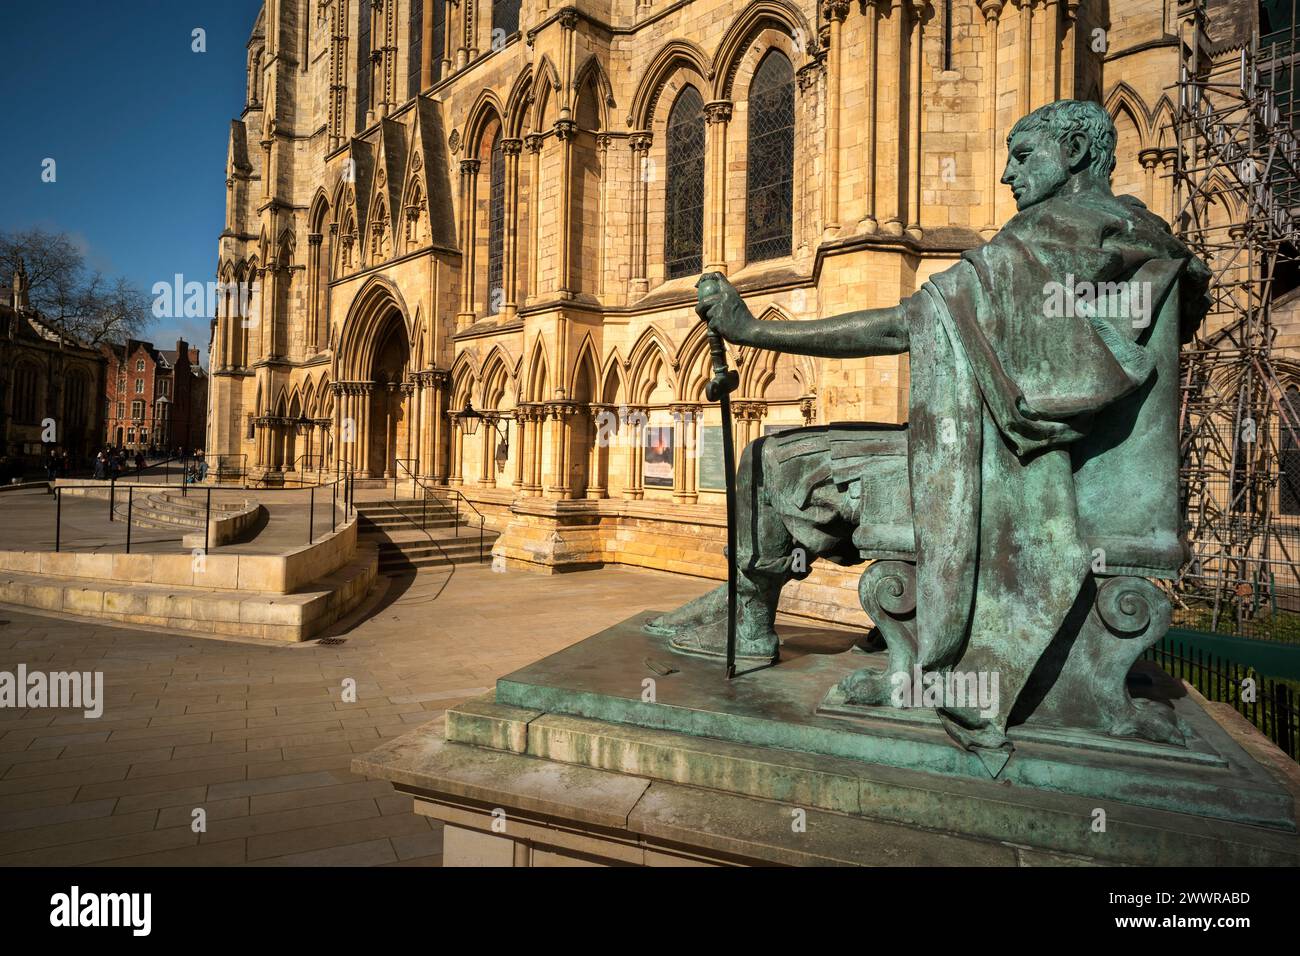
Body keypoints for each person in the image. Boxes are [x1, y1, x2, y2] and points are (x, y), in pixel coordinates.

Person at [649, 99, 1211, 752]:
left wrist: (755, 331)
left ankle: (748, 627)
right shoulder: (1134, 231)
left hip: (1011, 474)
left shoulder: (1054, 234)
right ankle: (737, 604)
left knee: (776, 458)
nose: (1006, 174)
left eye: (1024, 155)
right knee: (798, 452)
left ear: (1076, 155)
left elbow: (901, 324)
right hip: (1040, 464)